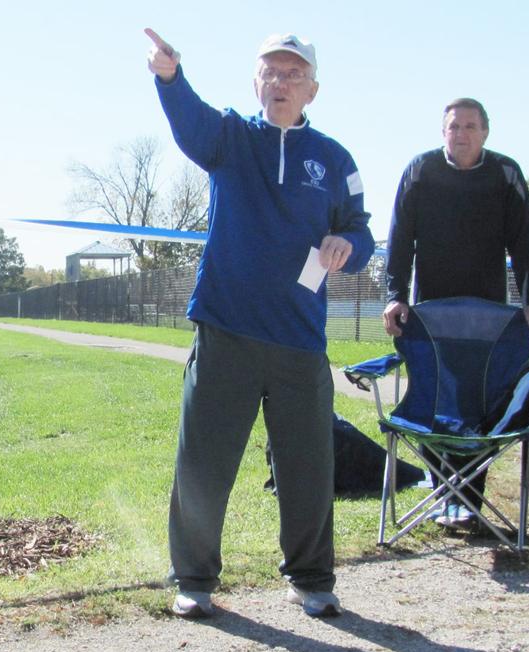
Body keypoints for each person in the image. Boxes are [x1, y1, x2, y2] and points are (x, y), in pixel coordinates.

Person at [146, 29, 373, 618]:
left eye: (293, 74)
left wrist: (348, 243)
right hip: (226, 330)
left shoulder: (335, 159)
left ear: (313, 90)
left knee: (308, 467)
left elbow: (363, 231)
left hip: (300, 340)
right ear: (255, 83)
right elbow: (189, 121)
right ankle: (194, 580)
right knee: (203, 463)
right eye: (270, 72)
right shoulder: (230, 137)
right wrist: (170, 77)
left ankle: (311, 579)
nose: (281, 82)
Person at [383, 98, 529, 530]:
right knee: (435, 393)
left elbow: (525, 243)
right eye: (454, 126)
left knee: (480, 402)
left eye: (470, 126)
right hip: (431, 312)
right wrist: (395, 296)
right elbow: (400, 240)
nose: (461, 134)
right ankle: (443, 493)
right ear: (443, 131)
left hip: (487, 315)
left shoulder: (505, 173)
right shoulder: (420, 171)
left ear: (485, 132)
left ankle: (467, 500)